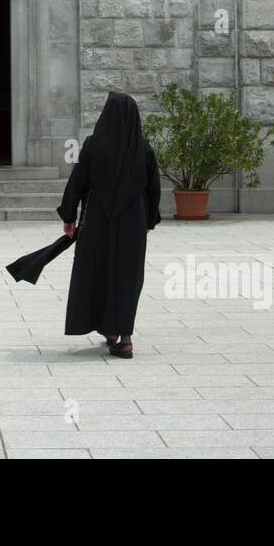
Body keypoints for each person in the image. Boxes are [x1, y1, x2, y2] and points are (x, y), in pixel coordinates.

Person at [56, 91, 163, 359]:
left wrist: (69, 216)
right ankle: (123, 337)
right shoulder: (143, 149)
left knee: (99, 270)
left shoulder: (93, 145)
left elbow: (77, 182)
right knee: (126, 274)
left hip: (99, 220)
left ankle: (108, 329)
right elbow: (153, 190)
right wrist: (147, 222)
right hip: (132, 221)